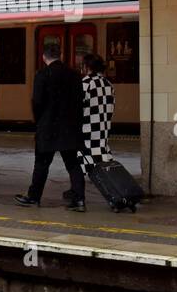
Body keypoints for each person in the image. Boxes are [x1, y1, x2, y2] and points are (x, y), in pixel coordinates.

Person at [16, 42, 85, 210]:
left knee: (41, 164)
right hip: (69, 127)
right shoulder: (75, 75)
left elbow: (37, 102)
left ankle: (34, 198)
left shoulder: (42, 74)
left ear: (43, 56)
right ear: (60, 55)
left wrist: (39, 122)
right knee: (73, 164)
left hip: (48, 127)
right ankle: (79, 200)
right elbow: (79, 102)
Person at [72, 52, 114, 198]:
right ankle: (113, 190)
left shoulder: (86, 84)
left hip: (87, 130)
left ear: (86, 67)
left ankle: (77, 192)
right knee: (102, 158)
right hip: (103, 129)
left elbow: (78, 107)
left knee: (80, 162)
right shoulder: (108, 83)